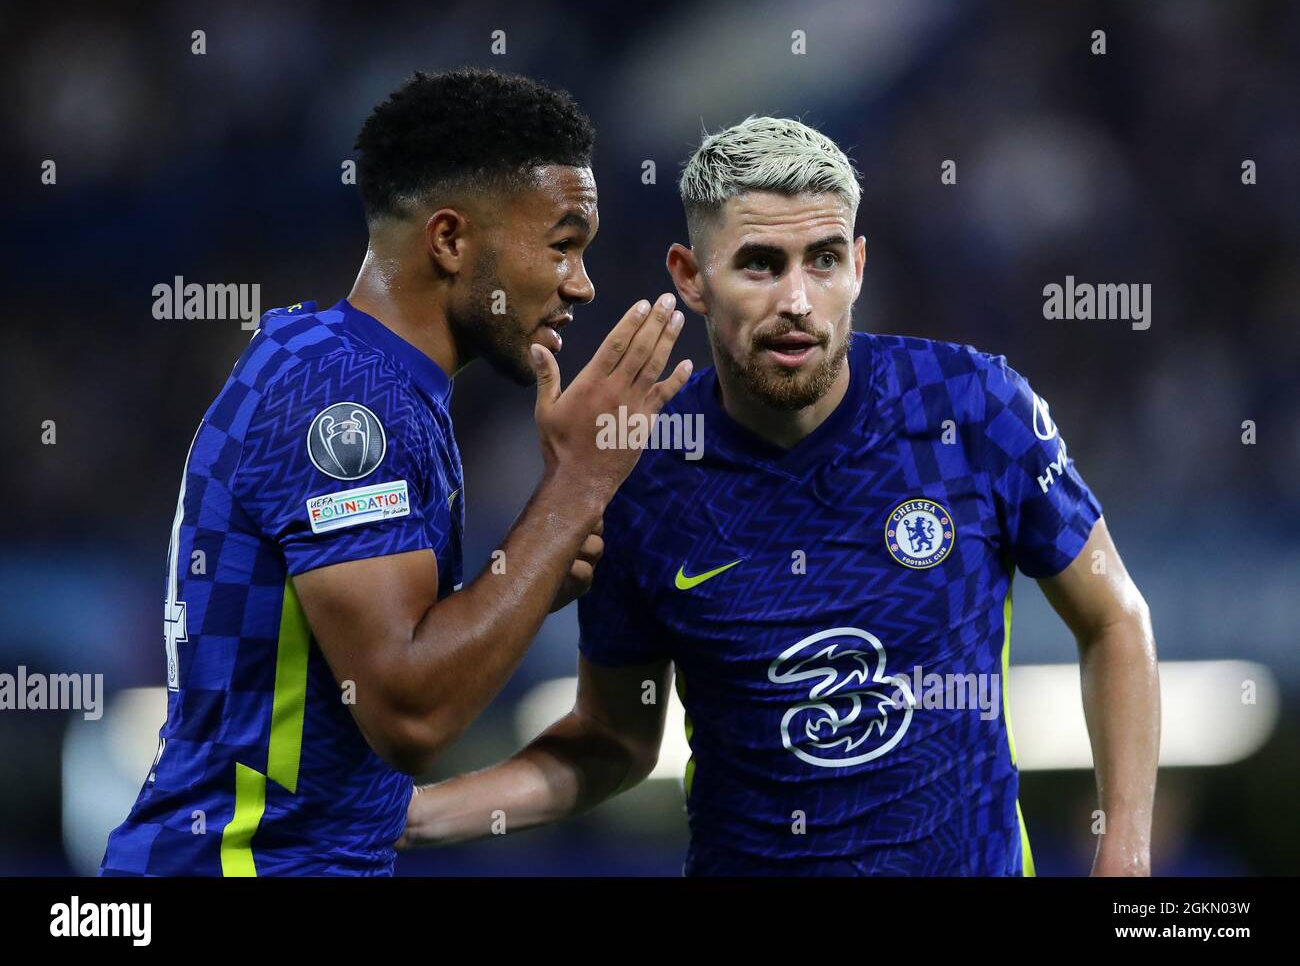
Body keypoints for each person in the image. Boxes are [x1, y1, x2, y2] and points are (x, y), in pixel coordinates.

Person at [399, 116, 1160, 877]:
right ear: (690, 276)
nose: (798, 300)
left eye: (823, 261)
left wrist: (1123, 863)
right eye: (760, 265)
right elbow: (613, 742)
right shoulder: (639, 469)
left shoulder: (974, 407)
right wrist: (406, 819)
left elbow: (1114, 619)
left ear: (858, 266)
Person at [100, 68, 691, 876]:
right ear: (450, 241)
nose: (581, 284)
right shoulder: (346, 400)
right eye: (562, 245)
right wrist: (578, 483)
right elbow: (409, 711)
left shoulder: (358, 373)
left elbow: (368, 657)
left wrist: (528, 581)